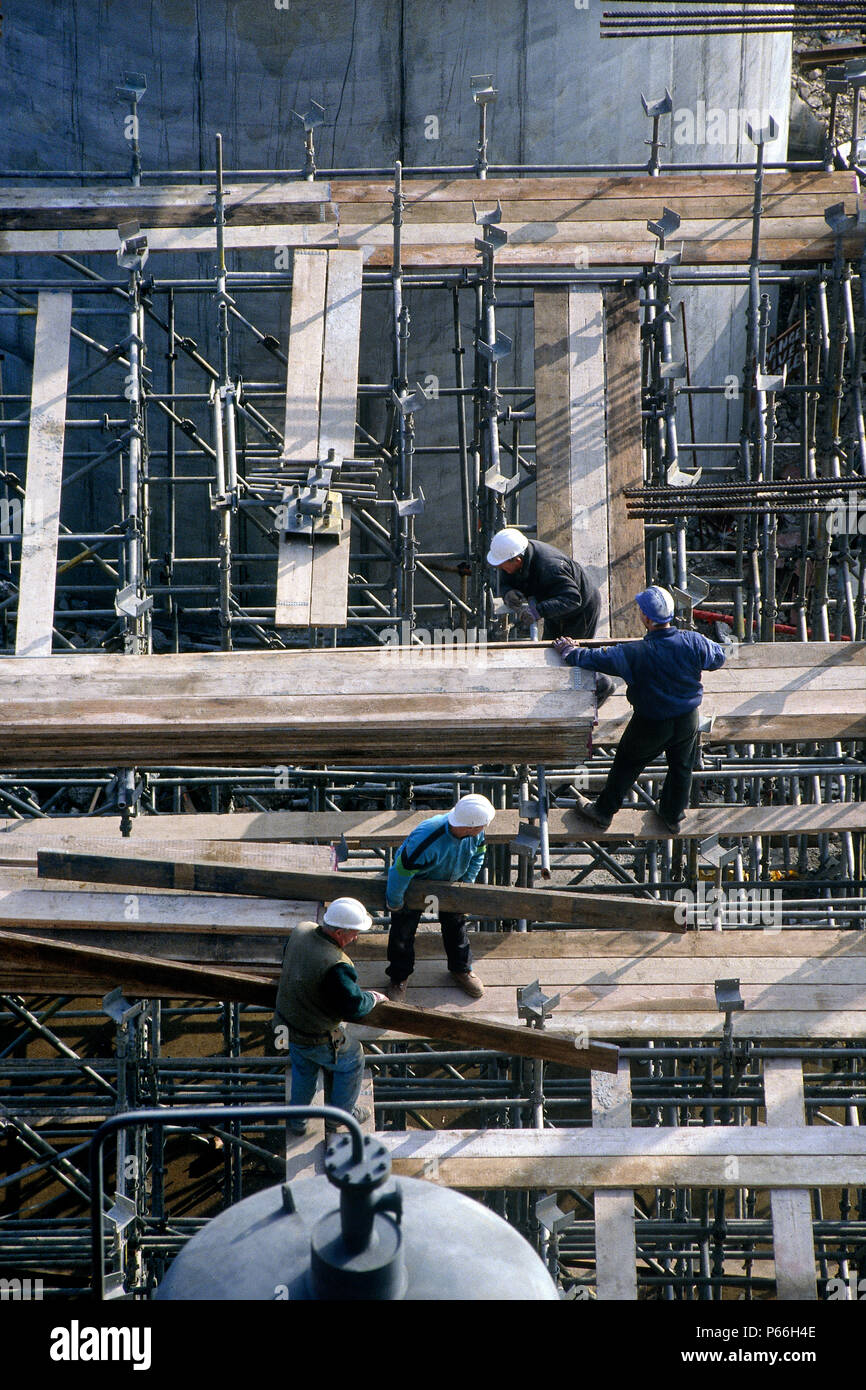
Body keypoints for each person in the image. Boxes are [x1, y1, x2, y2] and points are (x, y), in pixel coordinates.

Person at [552, 585, 726, 835]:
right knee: (681, 766)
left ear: (645, 617)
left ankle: (603, 813)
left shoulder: (635, 652)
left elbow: (596, 658)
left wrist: (569, 651)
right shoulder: (692, 641)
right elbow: (718, 657)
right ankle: (672, 815)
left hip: (651, 723)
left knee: (627, 763)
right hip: (688, 718)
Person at [274, 897, 387, 1137]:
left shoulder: (301, 930)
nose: (355, 938)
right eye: (353, 934)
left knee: (304, 1071)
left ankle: (297, 1122)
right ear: (338, 932)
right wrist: (373, 998)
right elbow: (354, 1006)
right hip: (314, 1034)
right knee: (354, 1058)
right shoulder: (336, 965)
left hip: (288, 1024)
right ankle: (340, 1116)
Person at [384, 793, 496, 1002]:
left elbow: (478, 856)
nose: (484, 828)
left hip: (449, 884)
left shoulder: (475, 834)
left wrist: (464, 886)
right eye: (483, 825)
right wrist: (395, 902)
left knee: (456, 926)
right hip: (415, 885)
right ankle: (399, 977)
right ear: (470, 826)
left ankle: (461, 969)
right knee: (403, 931)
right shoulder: (427, 838)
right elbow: (400, 872)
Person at [487, 526, 614, 702]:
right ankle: (562, 690)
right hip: (553, 604)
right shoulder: (516, 557)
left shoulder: (550, 566)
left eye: (503, 565)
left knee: (572, 656)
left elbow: (572, 598)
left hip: (580, 610)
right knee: (550, 651)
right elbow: (506, 579)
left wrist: (537, 611)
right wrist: (508, 593)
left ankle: (601, 684)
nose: (501, 568)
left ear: (517, 560)